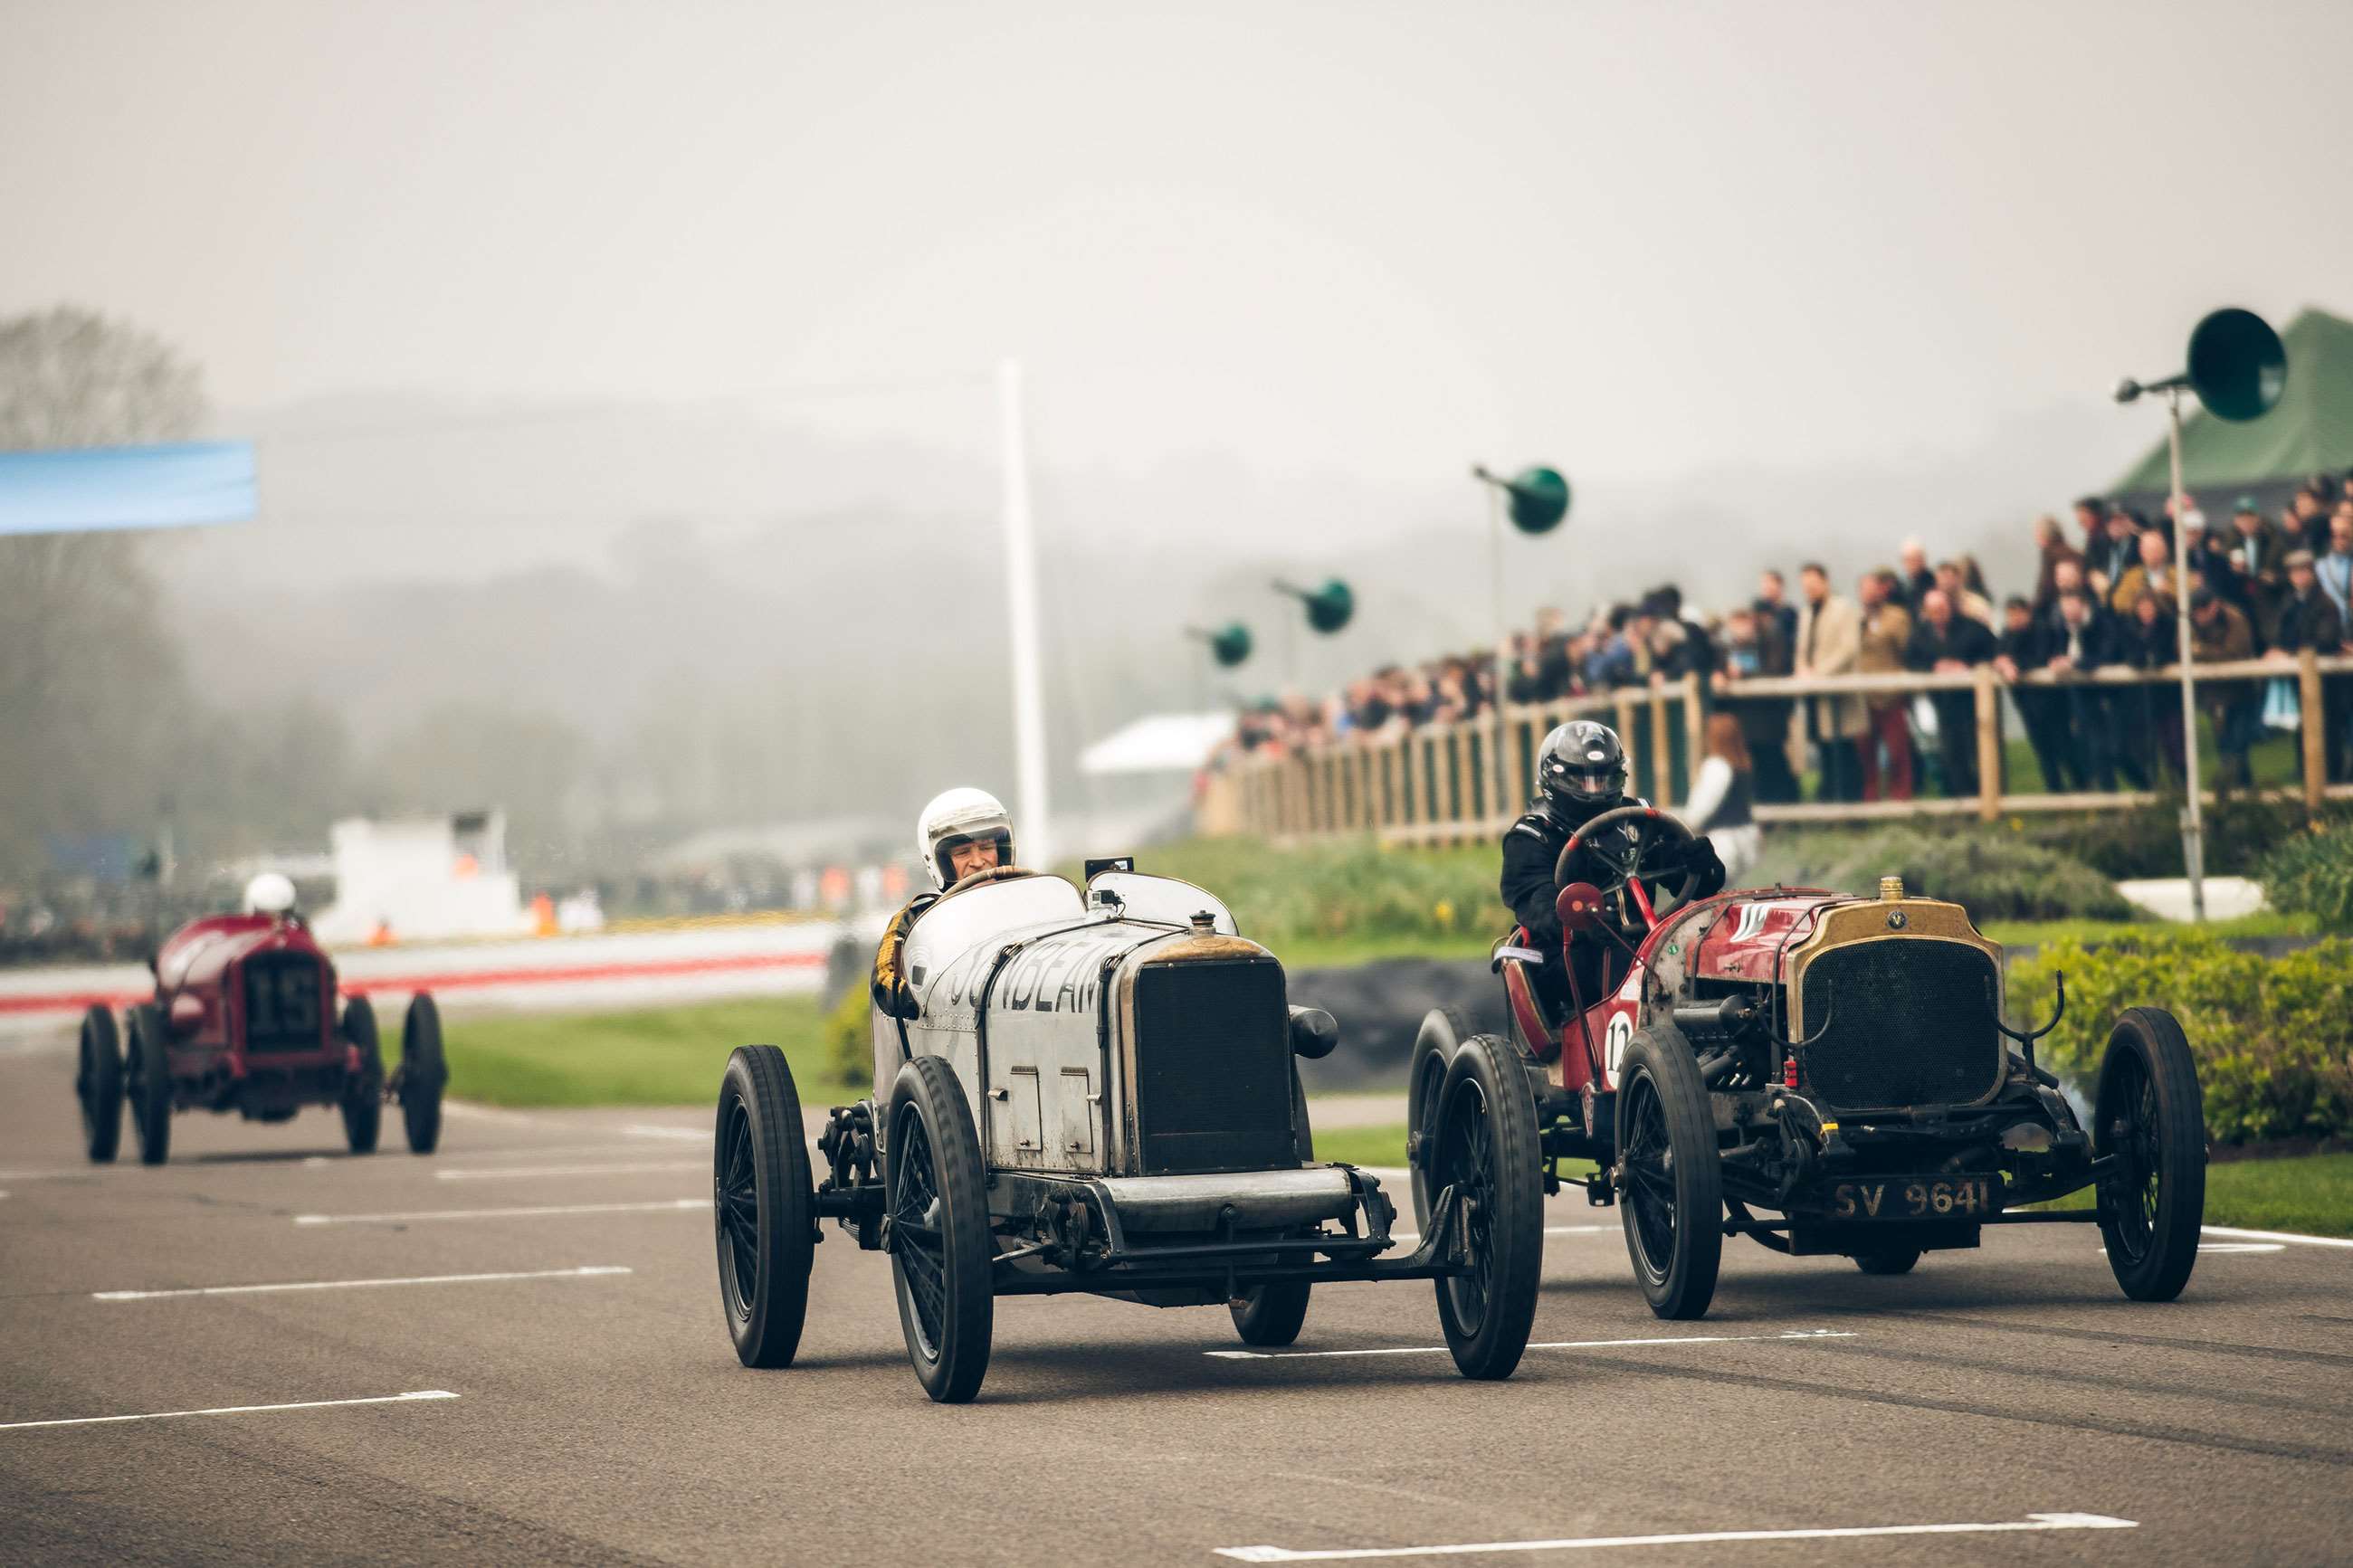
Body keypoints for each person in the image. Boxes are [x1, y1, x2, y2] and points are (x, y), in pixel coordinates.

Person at [1500, 721, 1723, 1012]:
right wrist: (1583, 925)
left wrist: (1699, 862)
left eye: (1603, 779)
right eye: (1582, 780)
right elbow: (1536, 902)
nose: (1594, 790)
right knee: (1612, 956)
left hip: (1644, 938)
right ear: (1555, 778)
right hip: (1568, 950)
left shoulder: (1639, 819)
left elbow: (1696, 883)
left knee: (1699, 948)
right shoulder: (1533, 835)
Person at [870, 787, 1019, 1016]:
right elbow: (885, 984)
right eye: (963, 852)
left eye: (987, 847)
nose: (978, 861)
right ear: (941, 861)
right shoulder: (916, 918)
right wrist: (936, 989)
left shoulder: (1036, 901)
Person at [1904, 588, 1998, 797]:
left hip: (1974, 702)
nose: (1938, 613)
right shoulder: (1920, 634)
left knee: (1981, 750)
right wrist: (1934, 667)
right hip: (1943, 703)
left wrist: (1967, 667)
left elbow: (1992, 652)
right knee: (1952, 753)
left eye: (1942, 608)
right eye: (1933, 610)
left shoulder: (1973, 628)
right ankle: (1963, 799)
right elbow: (1911, 660)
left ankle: (1990, 796)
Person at [2271, 548, 2351, 782]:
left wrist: (2289, 652)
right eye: (2294, 572)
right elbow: (2282, 634)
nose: (2299, 576)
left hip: (2326, 683)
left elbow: (2325, 641)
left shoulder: (2325, 604)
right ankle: (2307, 778)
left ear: (2312, 573)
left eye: (2303, 570)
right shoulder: (2291, 602)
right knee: (2303, 731)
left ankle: (2331, 781)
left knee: (2328, 732)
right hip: (2300, 680)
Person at [1795, 563, 1865, 802]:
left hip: (1839, 694)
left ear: (1825, 582)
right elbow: (1803, 649)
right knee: (1823, 749)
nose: (1810, 590)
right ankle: (1829, 799)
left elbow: (1848, 649)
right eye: (1805, 586)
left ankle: (1850, 802)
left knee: (1844, 751)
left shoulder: (1843, 609)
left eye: (1813, 584)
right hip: (1815, 696)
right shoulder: (1806, 613)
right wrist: (1802, 669)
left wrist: (1819, 673)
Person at [1714, 604, 1799, 803]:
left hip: (1768, 720)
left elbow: (1775, 670)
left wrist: (1743, 674)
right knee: (1757, 769)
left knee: (1775, 764)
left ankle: (1786, 806)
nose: (1740, 629)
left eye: (1744, 623)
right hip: (1745, 721)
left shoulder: (1768, 643)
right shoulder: (1726, 650)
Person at [1996, 594, 2075, 792]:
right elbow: (2001, 655)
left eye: (2017, 614)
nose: (2014, 619)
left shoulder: (2042, 629)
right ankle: (2055, 790)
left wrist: (2014, 665)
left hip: (2051, 702)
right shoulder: (2007, 634)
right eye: (2010, 615)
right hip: (2026, 702)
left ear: (2027, 613)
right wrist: (2004, 663)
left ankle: (2082, 784)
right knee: (2042, 749)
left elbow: (2039, 658)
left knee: (2063, 746)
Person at [2190, 588, 2261, 789]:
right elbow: (2183, 647)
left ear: (2214, 606)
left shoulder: (2235, 619)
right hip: (2215, 695)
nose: (2199, 616)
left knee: (2238, 745)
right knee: (2224, 745)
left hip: (2241, 692)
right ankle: (2236, 792)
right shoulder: (2191, 623)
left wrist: (2202, 652)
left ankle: (2242, 791)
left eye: (2202, 610)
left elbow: (2236, 652)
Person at [1855, 568, 1914, 802]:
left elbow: (1906, 650)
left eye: (1873, 589)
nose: (1870, 595)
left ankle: (1901, 797)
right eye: (1865, 590)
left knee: (1898, 751)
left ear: (1882, 591)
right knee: (1865, 753)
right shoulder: (1855, 619)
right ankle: (1870, 798)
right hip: (1862, 696)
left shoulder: (1897, 617)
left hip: (1891, 694)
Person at [1682, 713, 1760, 885]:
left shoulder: (1717, 766)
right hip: (1748, 836)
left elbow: (1699, 812)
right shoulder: (1744, 764)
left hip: (1723, 842)